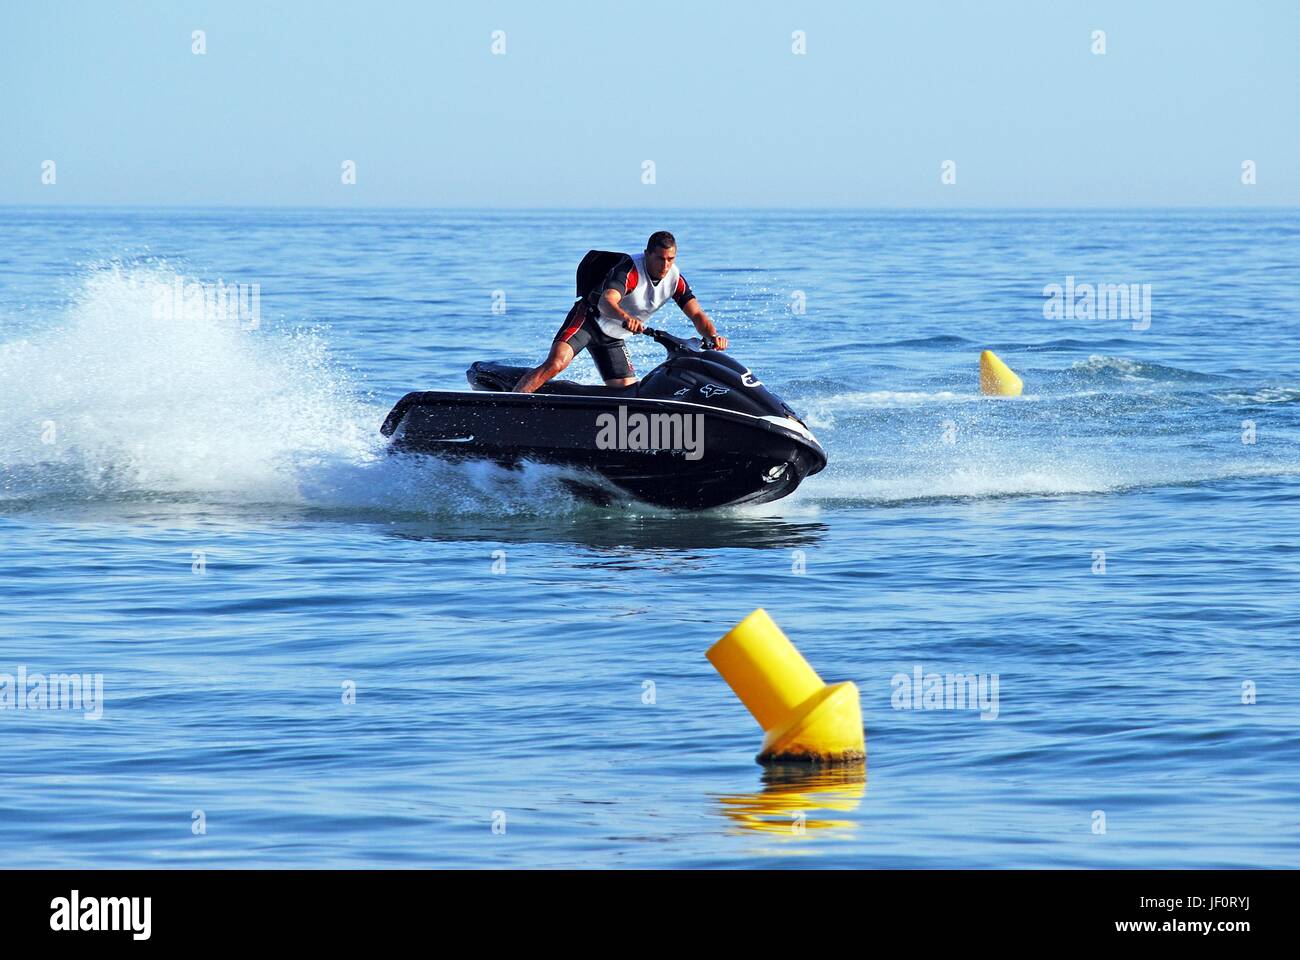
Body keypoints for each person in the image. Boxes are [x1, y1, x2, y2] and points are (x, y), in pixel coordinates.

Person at [512, 231, 728, 394]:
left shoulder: (675, 280)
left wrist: (712, 336)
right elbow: (607, 302)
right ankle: (512, 403)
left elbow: (697, 314)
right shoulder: (629, 270)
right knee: (557, 363)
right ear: (647, 254)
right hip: (588, 320)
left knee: (626, 392)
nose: (665, 265)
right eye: (660, 258)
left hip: (613, 337)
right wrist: (626, 319)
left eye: (670, 259)